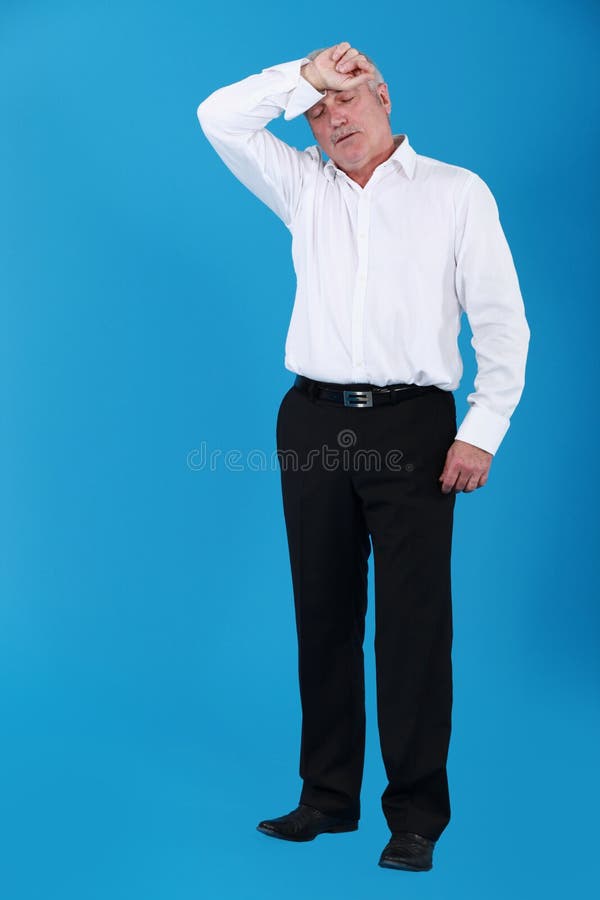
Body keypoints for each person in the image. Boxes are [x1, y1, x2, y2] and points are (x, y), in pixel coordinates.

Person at [196, 41, 530, 873]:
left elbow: (501, 323)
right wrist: (303, 75)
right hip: (311, 420)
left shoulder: (456, 193)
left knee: (415, 627)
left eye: (345, 99)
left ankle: (416, 812)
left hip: (414, 426)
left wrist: (481, 428)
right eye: (317, 109)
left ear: (381, 92)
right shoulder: (303, 186)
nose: (332, 119)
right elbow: (216, 116)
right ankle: (327, 798)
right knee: (325, 616)